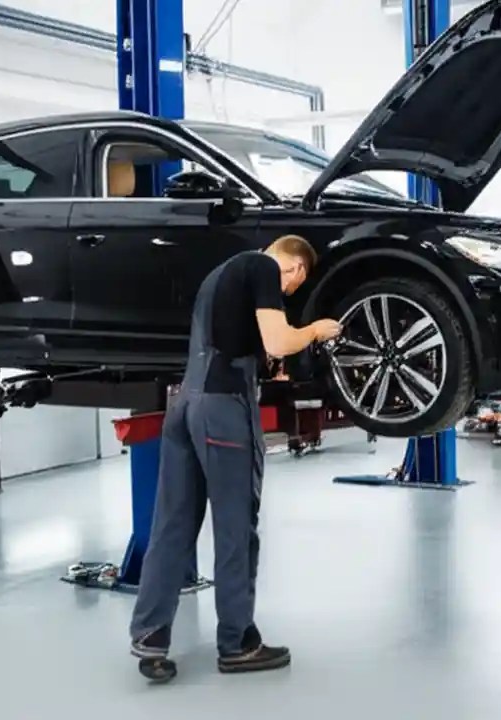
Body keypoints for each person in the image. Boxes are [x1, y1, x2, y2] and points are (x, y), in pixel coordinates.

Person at [127, 234, 341, 683]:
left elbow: (236, 342)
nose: (287, 294)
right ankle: (238, 642)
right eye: (293, 289)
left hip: (183, 405)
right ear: (296, 269)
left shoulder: (217, 276)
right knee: (235, 527)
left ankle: (150, 636)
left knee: (173, 524)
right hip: (223, 410)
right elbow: (280, 341)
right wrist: (315, 330)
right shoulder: (263, 268)